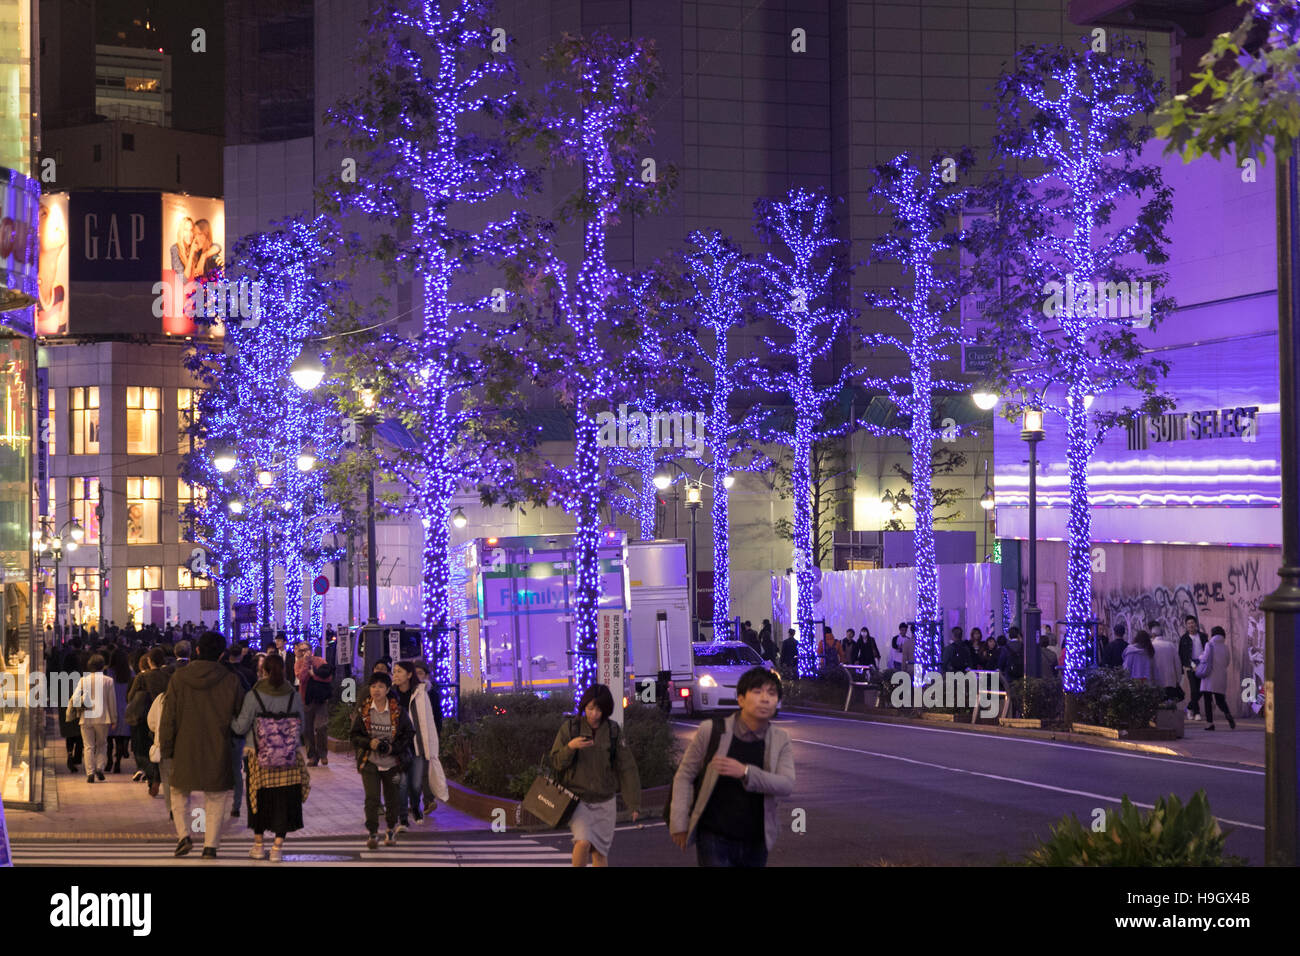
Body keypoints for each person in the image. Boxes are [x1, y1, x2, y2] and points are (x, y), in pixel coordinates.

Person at [670, 667, 795, 867]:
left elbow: (786, 784)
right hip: (714, 836)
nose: (765, 699)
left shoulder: (780, 739)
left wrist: (745, 772)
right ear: (741, 699)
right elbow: (684, 776)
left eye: (772, 694)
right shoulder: (711, 731)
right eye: (757, 692)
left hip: (756, 839)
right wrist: (679, 823)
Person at [158, 631, 244, 859]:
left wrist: (166, 747)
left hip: (185, 745)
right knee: (216, 797)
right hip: (218, 745)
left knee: (178, 791)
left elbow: (169, 716)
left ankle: (184, 835)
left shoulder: (179, 678)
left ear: (197, 650)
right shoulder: (231, 680)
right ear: (221, 654)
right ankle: (210, 846)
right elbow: (240, 716)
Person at [548, 683, 640, 867]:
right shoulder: (570, 728)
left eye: (599, 710)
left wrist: (634, 804)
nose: (594, 714)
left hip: (605, 801)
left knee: (599, 852)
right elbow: (556, 762)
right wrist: (571, 747)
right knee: (583, 842)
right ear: (584, 707)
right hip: (577, 800)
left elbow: (627, 768)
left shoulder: (613, 731)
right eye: (590, 709)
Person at [232, 652, 309, 862]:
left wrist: (229, 720)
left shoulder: (253, 696)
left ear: (262, 671)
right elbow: (302, 723)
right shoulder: (293, 695)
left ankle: (258, 846)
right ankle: (277, 848)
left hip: (258, 757)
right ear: (283, 670)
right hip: (288, 757)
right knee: (284, 801)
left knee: (259, 799)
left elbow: (240, 727)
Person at [350, 672, 414, 850]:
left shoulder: (398, 711)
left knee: (392, 799)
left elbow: (409, 733)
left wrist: (394, 748)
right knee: (372, 798)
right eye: (373, 686)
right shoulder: (364, 711)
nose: (376, 690)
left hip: (393, 763)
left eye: (380, 687)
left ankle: (391, 829)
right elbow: (354, 736)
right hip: (369, 762)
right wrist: (369, 743)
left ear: (387, 689)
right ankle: (372, 833)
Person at [393, 661, 449, 824]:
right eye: (394, 671)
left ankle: (421, 803)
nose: (395, 675)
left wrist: (432, 738)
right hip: (398, 743)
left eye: (399, 672)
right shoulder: (391, 693)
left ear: (409, 675)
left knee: (419, 775)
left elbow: (430, 718)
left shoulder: (421, 693)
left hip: (417, 741)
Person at [126, 646, 169, 796]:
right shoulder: (168, 676)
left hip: (144, 717)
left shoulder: (142, 677)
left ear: (149, 661)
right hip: (164, 716)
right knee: (157, 747)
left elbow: (130, 697)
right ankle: (157, 777)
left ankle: (152, 777)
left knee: (142, 750)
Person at [69, 654, 117, 783]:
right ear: (103, 666)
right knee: (102, 744)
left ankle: (90, 772)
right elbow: (111, 701)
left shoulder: (84, 680)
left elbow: (75, 698)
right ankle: (100, 768)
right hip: (102, 717)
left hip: (86, 716)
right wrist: (114, 719)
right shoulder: (108, 681)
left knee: (88, 746)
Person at [1196, 626, 1236, 731]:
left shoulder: (1209, 644)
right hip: (1221, 676)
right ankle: (1227, 714)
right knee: (1220, 700)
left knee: (1207, 700)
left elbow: (1205, 658)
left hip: (1209, 676)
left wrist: (1199, 657)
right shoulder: (1225, 647)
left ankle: (1210, 723)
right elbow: (1227, 662)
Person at [302, 657, 334, 767]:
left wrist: (314, 675)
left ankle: (323, 754)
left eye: (306, 650)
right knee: (308, 730)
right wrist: (308, 669)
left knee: (321, 727)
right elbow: (301, 678)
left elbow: (328, 677)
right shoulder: (298, 664)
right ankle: (312, 756)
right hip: (305, 700)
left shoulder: (321, 661)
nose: (304, 653)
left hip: (321, 699)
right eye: (301, 650)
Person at [107, 649, 134, 773]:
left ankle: (109, 762)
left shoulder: (108, 672)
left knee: (109, 738)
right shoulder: (130, 673)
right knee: (120, 737)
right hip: (125, 707)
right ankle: (118, 761)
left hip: (110, 707)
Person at [1179, 616, 1207, 721]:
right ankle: (1197, 712)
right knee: (1194, 689)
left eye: (1192, 623)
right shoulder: (1184, 639)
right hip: (1190, 666)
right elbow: (1181, 654)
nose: (1191, 625)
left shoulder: (1203, 636)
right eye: (1189, 623)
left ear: (1196, 624)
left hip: (1202, 665)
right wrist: (1183, 668)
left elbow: (1208, 651)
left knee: (1202, 689)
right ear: (1186, 626)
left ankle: (1189, 707)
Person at [1151, 626, 1182, 701]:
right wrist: (1178, 679)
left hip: (1156, 681)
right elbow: (1177, 664)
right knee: (1170, 705)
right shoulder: (1170, 645)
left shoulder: (1151, 646)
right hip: (1170, 680)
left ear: (1153, 635)